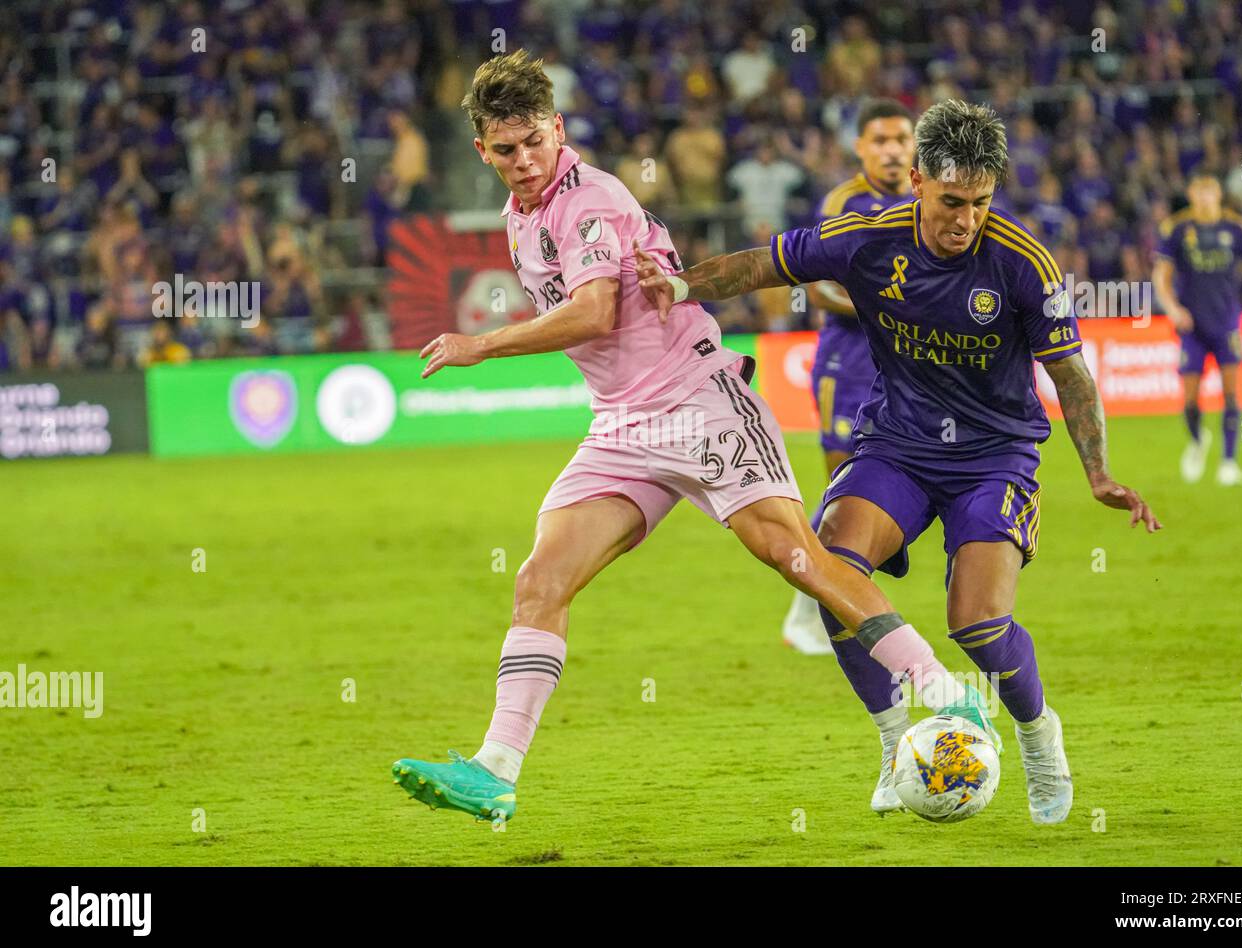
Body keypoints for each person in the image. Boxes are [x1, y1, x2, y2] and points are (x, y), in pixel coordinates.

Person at [391, 52, 996, 824]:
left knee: (796, 555)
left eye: (535, 141)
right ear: (482, 150)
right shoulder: (521, 217)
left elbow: (594, 312)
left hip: (697, 398)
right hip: (620, 424)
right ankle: (495, 770)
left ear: (559, 130)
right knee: (540, 580)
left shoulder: (591, 200)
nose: (523, 161)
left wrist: (483, 343)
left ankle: (949, 697)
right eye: (505, 150)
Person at [637, 99, 1162, 824]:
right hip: (899, 448)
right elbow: (761, 264)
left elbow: (1072, 377)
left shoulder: (1022, 262)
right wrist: (683, 283)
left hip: (995, 458)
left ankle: (1039, 735)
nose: (965, 220)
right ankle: (893, 739)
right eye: (951, 201)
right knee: (830, 574)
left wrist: (1098, 472)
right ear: (917, 181)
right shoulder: (865, 238)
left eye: (980, 203)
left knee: (976, 626)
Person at [783, 98, 915, 656]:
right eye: (880, 141)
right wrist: (884, 305)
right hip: (849, 359)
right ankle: (809, 608)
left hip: (901, 363)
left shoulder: (925, 200)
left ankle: (841, 599)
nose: (891, 150)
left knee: (886, 480)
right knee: (844, 486)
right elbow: (818, 286)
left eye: (900, 139)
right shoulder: (845, 203)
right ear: (860, 148)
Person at [1152, 170, 1242, 485]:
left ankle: (1228, 462)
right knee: (1190, 400)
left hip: (1227, 323)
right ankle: (1198, 441)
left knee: (1232, 394)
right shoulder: (1178, 229)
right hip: (1191, 326)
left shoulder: (1236, 229)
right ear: (1192, 193)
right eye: (1200, 189)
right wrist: (1173, 309)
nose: (1206, 195)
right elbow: (1161, 276)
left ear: (1219, 193)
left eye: (1211, 189)